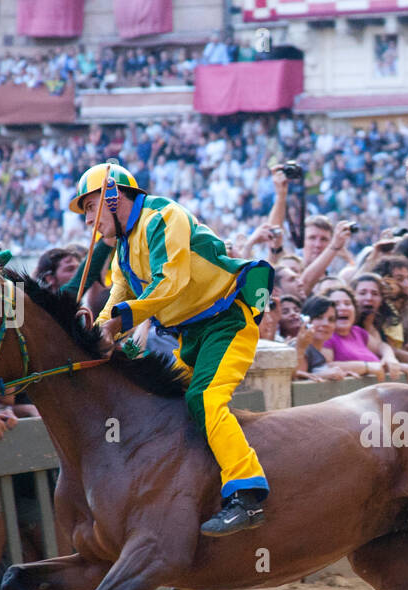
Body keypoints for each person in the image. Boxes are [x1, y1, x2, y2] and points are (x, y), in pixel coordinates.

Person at [71, 162, 274, 536]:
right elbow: (120, 292)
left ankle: (247, 496)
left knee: (206, 399)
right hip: (187, 334)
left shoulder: (164, 216)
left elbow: (171, 282)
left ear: (113, 197)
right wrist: (98, 328)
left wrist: (118, 322)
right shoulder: (123, 250)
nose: (88, 221)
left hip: (226, 322)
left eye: (89, 207)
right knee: (159, 401)